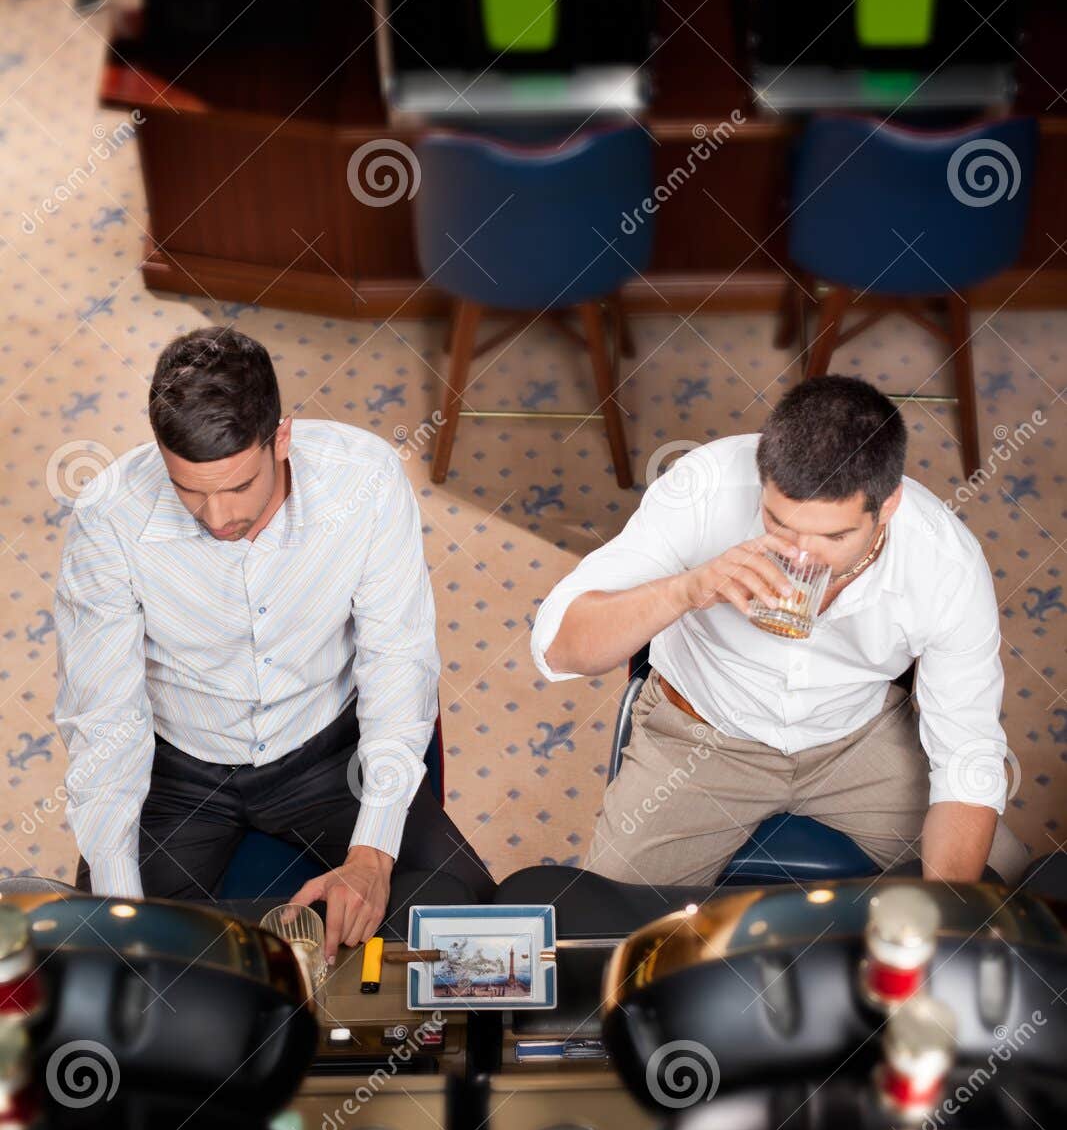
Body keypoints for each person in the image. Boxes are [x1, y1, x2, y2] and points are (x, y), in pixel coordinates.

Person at [55, 326, 491, 954]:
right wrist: (122, 914)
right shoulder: (107, 520)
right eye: (189, 492)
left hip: (329, 756)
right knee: (101, 965)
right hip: (177, 773)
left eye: (237, 487)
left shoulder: (364, 481)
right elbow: (104, 722)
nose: (217, 518)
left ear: (281, 438)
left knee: (473, 933)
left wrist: (372, 853)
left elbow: (399, 662)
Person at [531, 376, 1025, 888]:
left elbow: (968, 751)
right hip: (699, 733)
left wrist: (946, 921)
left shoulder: (945, 562)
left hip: (856, 737)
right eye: (779, 523)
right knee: (611, 928)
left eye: (835, 536)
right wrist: (686, 590)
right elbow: (561, 649)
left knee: (1002, 890)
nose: (802, 557)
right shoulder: (704, 488)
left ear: (889, 505)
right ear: (761, 479)